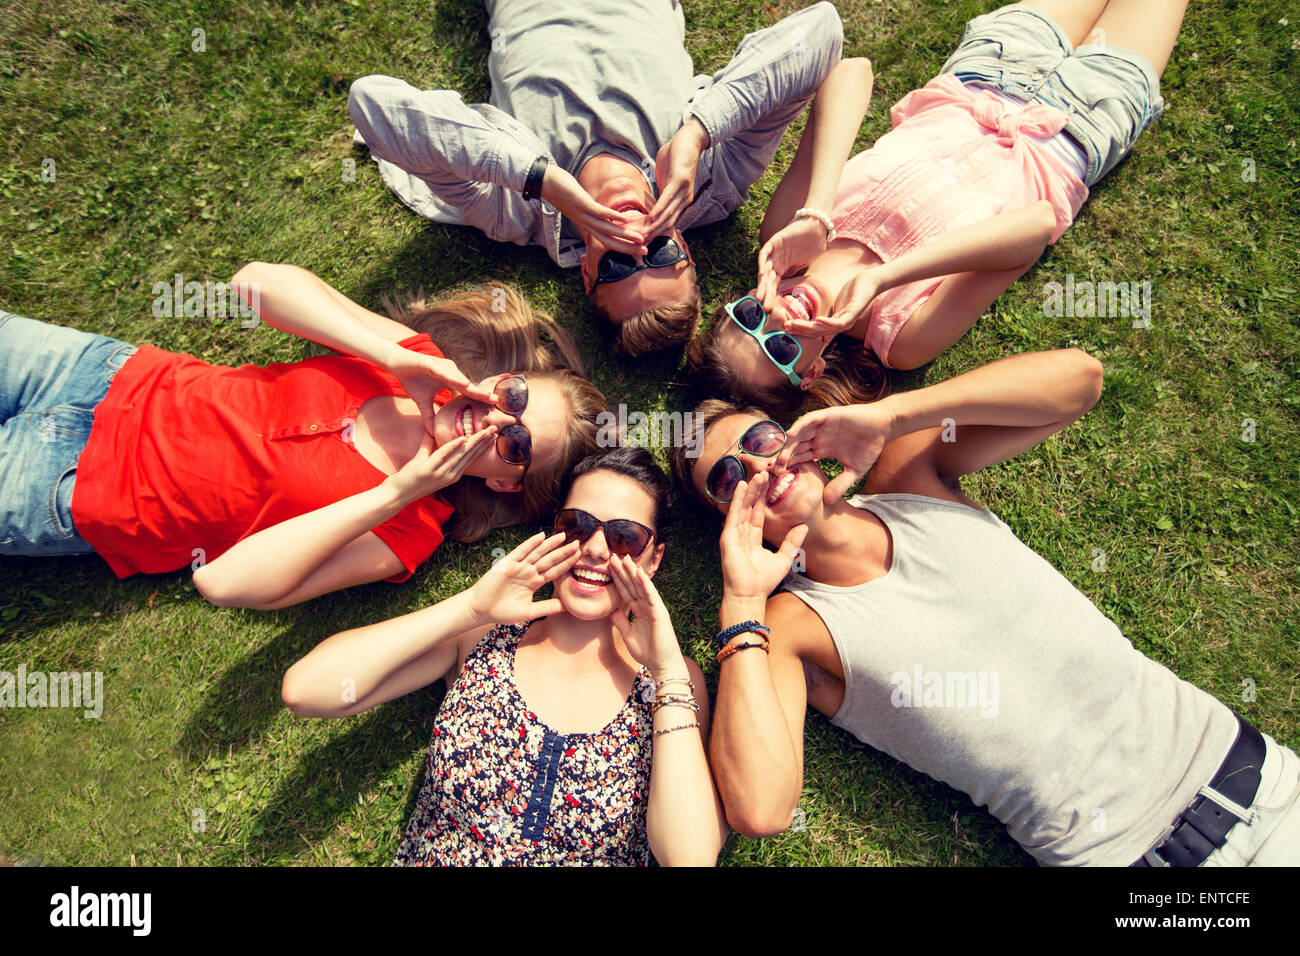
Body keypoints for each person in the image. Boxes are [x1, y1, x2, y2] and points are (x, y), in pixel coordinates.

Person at [670, 349, 1300, 866]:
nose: (758, 466)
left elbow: (1080, 380)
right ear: (729, 521)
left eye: (758, 438)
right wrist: (743, 599)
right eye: (727, 478)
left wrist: (890, 416)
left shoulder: (910, 479)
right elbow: (760, 809)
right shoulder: (789, 629)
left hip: (1261, 782)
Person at [0, 263, 605, 608]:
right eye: (515, 396)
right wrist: (386, 355)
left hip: (78, 488)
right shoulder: (412, 357)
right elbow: (253, 284)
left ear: (505, 481)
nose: (498, 419)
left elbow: (224, 583)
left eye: (517, 444)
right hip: (103, 372)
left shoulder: (406, 529)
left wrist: (396, 492)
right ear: (500, 378)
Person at [688, 0, 1188, 416]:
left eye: (751, 314)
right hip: (1075, 132)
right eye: (780, 349)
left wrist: (818, 214)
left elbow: (850, 73)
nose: (780, 318)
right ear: (812, 371)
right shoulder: (901, 338)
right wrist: (883, 280)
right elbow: (1035, 227)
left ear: (748, 296)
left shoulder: (786, 231)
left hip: (991, 68)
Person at [281, 447, 729, 866]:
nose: (594, 548)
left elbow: (689, 857)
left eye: (624, 537)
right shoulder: (484, 635)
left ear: (653, 560)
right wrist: (469, 608)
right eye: (577, 524)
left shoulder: (672, 680)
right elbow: (307, 690)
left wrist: (668, 671)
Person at [348, 1, 844, 356]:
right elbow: (821, 31)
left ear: (586, 273)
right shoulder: (713, 180)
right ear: (686, 249)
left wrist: (542, 180)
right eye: (659, 254)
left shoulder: (514, 211)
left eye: (617, 269)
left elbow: (373, 103)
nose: (634, 239)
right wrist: (697, 132)